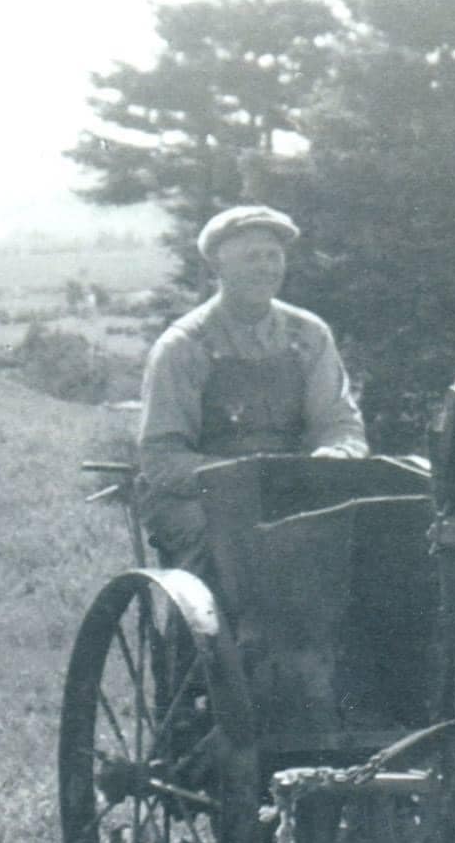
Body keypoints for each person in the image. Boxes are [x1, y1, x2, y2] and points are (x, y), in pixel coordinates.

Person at [137, 204, 368, 571]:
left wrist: (336, 454)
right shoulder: (184, 346)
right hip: (199, 499)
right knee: (236, 545)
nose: (265, 268)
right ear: (218, 267)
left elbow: (339, 422)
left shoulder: (309, 335)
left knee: (369, 540)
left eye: (273, 256)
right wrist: (239, 480)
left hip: (292, 491)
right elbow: (161, 457)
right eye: (251, 257)